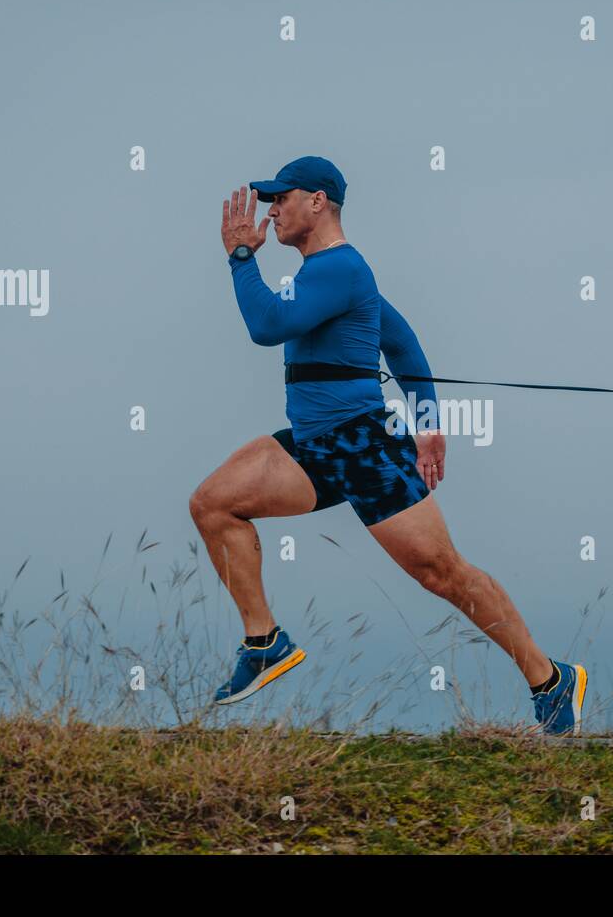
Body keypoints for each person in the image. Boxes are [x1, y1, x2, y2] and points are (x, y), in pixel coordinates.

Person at [189, 156, 586, 735]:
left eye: (283, 199)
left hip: (364, 449)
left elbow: (267, 325)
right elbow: (401, 346)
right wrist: (429, 425)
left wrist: (241, 257)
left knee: (444, 575)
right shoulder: (326, 274)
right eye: (269, 202)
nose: (272, 212)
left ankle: (551, 681)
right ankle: (264, 642)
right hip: (309, 448)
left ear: (318, 202)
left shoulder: (342, 268)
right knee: (212, 504)